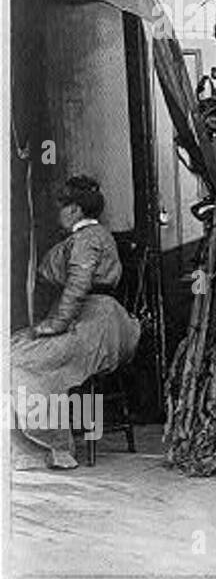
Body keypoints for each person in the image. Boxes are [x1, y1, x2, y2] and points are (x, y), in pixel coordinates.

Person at [9, 176, 141, 469]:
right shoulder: (84, 238)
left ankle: (53, 447)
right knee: (13, 349)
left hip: (98, 324)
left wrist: (55, 324)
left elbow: (78, 285)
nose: (59, 212)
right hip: (90, 317)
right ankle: (25, 446)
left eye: (62, 206)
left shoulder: (89, 238)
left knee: (25, 360)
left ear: (75, 210)